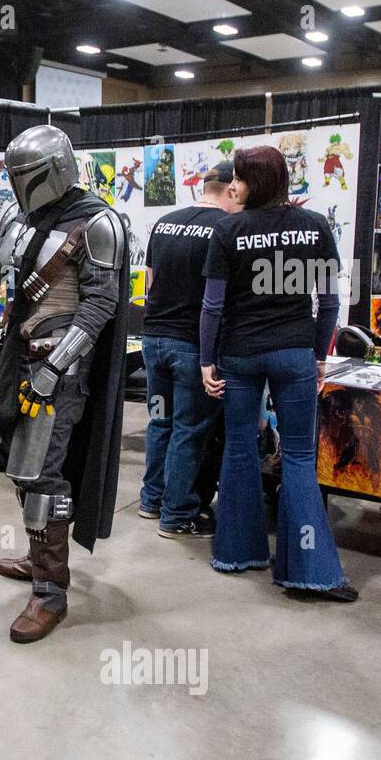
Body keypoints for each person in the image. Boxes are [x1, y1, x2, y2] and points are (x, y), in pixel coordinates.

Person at [0, 124, 130, 644]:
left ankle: (50, 591)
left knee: (41, 476)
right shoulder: (19, 219)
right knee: (21, 469)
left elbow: (101, 306)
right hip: (18, 360)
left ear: (56, 170)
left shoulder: (99, 223)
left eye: (28, 176)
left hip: (58, 371)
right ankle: (38, 557)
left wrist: (55, 368)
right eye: (14, 177)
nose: (20, 186)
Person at [199, 144, 357, 602]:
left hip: (241, 354)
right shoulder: (314, 226)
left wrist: (208, 360)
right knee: (300, 459)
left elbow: (213, 305)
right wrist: (320, 352)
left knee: (240, 449)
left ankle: (237, 552)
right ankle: (308, 571)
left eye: (240, 177)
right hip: (294, 353)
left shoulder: (228, 231)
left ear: (250, 182)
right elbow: (329, 301)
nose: (235, 184)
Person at [139, 161, 240, 538]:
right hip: (190, 347)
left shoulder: (165, 223)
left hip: (154, 341)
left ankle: (152, 501)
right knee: (189, 428)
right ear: (231, 190)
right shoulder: (225, 229)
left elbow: (150, 283)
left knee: (159, 422)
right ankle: (177, 513)